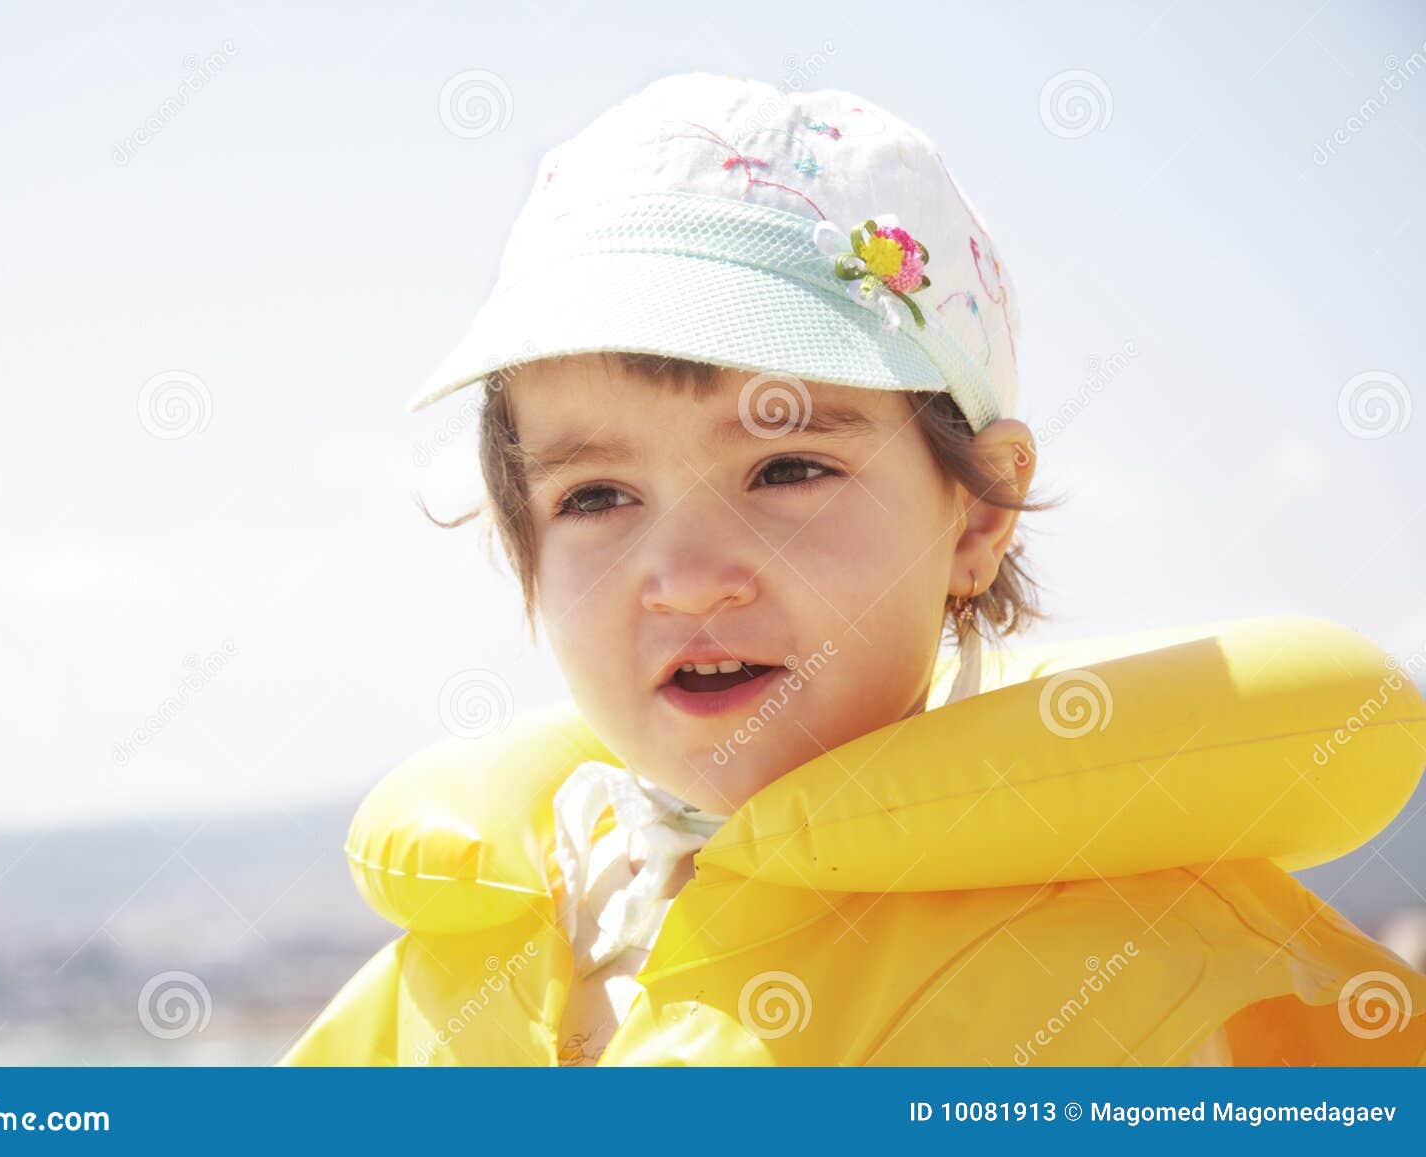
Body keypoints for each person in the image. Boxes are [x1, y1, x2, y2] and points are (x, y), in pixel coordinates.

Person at [280, 72, 1426, 1066]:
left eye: (786, 468)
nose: (684, 576)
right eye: (596, 496)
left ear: (977, 513)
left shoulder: (1142, 975)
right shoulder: (467, 960)